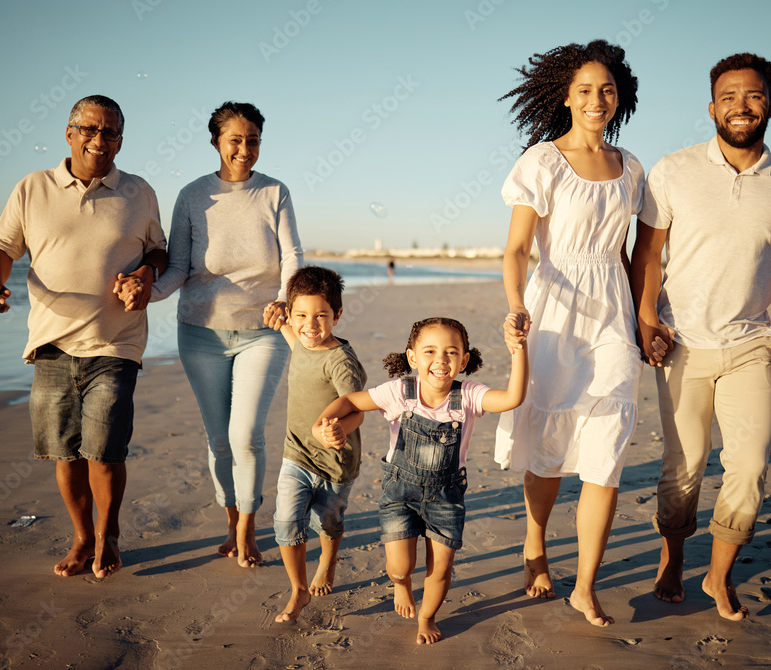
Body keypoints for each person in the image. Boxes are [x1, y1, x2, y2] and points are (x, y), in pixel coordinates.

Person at [630, 53, 771, 621]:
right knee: (683, 468)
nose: (742, 106)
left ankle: (718, 575)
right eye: (730, 96)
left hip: (751, 344)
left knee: (750, 462)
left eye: (754, 95)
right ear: (712, 107)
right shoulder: (672, 170)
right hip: (682, 342)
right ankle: (672, 555)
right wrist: (646, 317)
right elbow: (649, 253)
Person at [0, 94, 167, 578]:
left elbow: (159, 253)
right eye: (89, 129)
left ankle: (109, 535)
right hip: (51, 343)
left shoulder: (139, 192)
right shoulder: (33, 188)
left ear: (121, 141)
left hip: (116, 342)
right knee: (63, 452)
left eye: (109, 132)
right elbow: (1, 244)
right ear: (69, 134)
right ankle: (82, 535)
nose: (98, 140)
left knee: (104, 450)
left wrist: (146, 275)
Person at [493, 40, 644, 626]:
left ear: (619, 96)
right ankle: (535, 542)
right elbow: (515, 249)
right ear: (566, 95)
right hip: (553, 308)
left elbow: (629, 254)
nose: (596, 99)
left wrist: (644, 318)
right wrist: (514, 306)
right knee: (551, 443)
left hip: (612, 308)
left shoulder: (631, 167)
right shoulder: (542, 162)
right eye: (584, 90)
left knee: (608, 440)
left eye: (606, 89)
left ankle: (585, 585)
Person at [147, 101, 303, 567]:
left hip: (264, 331)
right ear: (216, 142)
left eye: (253, 139)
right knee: (219, 439)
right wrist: (147, 292)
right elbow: (177, 267)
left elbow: (293, 255)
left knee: (246, 434)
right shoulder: (192, 195)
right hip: (200, 333)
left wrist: (287, 297)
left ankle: (248, 530)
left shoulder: (275, 192)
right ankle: (231, 523)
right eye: (235, 139)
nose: (245, 149)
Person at [315, 317, 528, 644]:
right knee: (400, 567)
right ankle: (401, 585)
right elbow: (351, 402)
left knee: (440, 568)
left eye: (451, 352)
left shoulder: (468, 395)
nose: (441, 360)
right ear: (412, 357)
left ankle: (427, 617)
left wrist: (518, 350)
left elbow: (513, 397)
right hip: (399, 492)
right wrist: (322, 425)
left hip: (446, 498)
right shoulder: (401, 391)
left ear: (464, 360)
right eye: (429, 351)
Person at [268, 266, 367, 623]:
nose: (310, 325)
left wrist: (341, 430)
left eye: (321, 316)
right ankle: (298, 589)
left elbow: (358, 408)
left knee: (328, 524)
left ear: (337, 315)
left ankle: (328, 559)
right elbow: (295, 340)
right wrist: (277, 321)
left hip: (335, 464)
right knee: (285, 521)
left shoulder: (341, 363)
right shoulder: (300, 340)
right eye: (301, 316)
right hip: (295, 454)